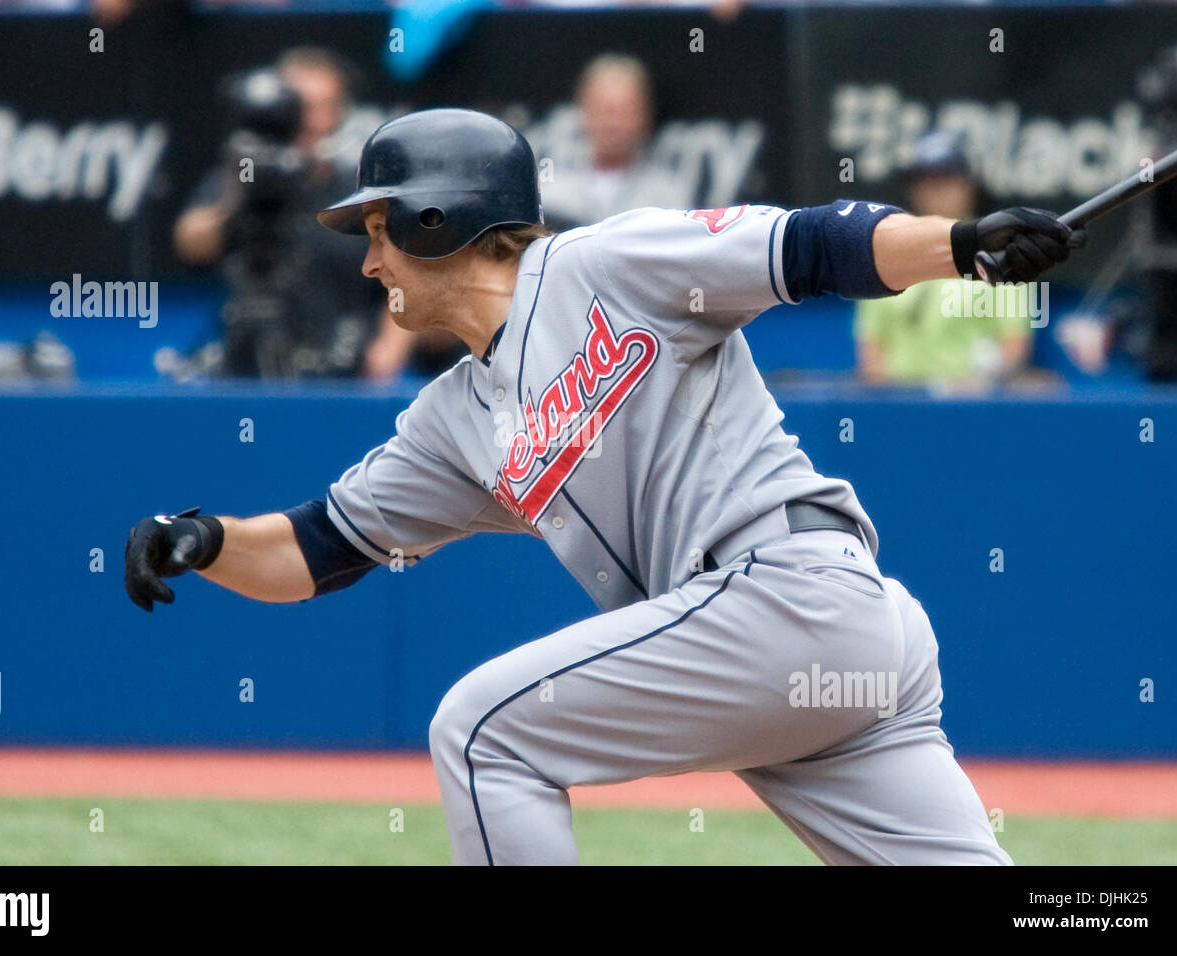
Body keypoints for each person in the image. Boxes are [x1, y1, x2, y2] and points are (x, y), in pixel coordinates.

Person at [126, 108, 1084, 865]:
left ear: (440, 218)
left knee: (481, 734)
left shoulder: (601, 265)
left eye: (380, 228)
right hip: (804, 645)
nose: (369, 259)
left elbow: (812, 245)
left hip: (792, 591)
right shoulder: (452, 419)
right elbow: (315, 549)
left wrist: (959, 246)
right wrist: (204, 542)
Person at [172, 49, 387, 380]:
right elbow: (191, 244)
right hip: (247, 358)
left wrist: (386, 352)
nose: (313, 121)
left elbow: (405, 272)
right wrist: (239, 195)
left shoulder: (361, 192)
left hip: (342, 368)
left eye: (326, 106)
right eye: (301, 106)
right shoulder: (239, 178)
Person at [855, 131, 1037, 389]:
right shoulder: (883, 250)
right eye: (926, 179)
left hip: (972, 406)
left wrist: (970, 388)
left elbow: (1013, 347)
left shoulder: (1003, 254)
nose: (936, 189)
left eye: (946, 177)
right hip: (899, 404)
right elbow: (871, 351)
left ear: (969, 185)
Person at [539, 54, 692, 230]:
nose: (612, 123)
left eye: (624, 111)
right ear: (582, 112)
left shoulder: (667, 196)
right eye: (603, 110)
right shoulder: (550, 193)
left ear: (646, 116)